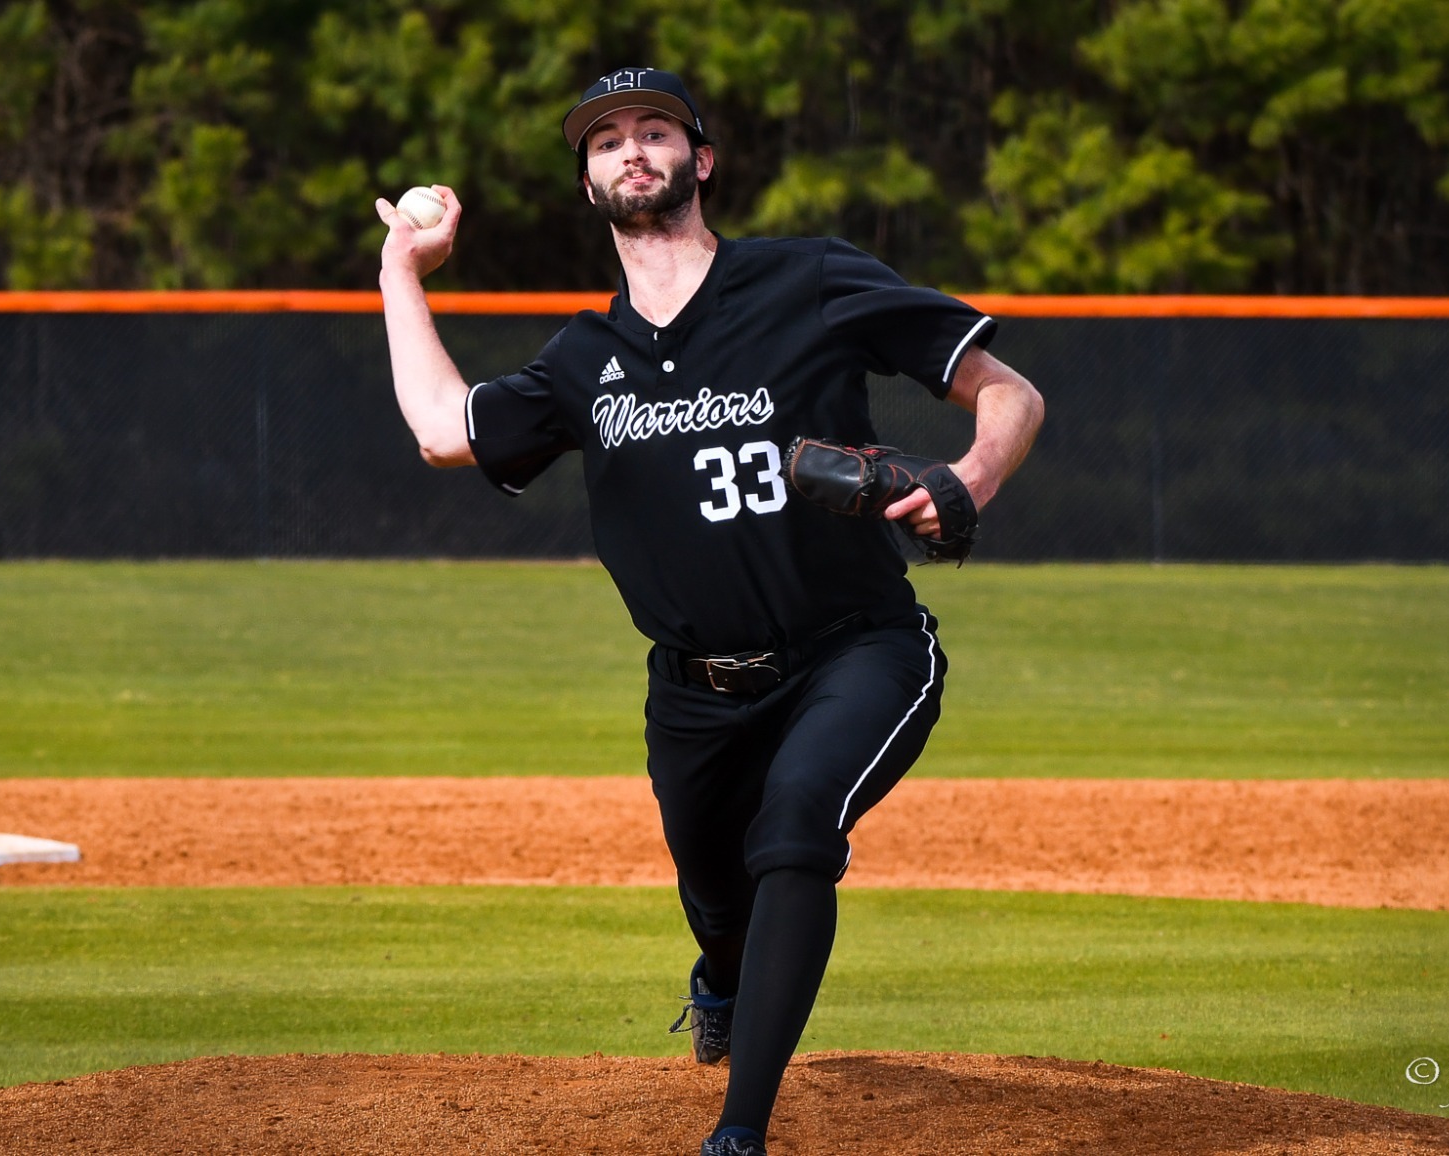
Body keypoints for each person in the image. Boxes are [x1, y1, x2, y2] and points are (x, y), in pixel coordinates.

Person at [375, 66, 1043, 1156]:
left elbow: (1009, 391)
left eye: (652, 131)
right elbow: (446, 429)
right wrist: (401, 269)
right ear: (588, 181)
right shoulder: (584, 360)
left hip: (854, 650)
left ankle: (740, 1131)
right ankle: (721, 975)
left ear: (702, 159)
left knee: (794, 833)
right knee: (716, 900)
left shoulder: (810, 279)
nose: (629, 150)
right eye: (604, 142)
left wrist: (972, 474)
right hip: (692, 691)